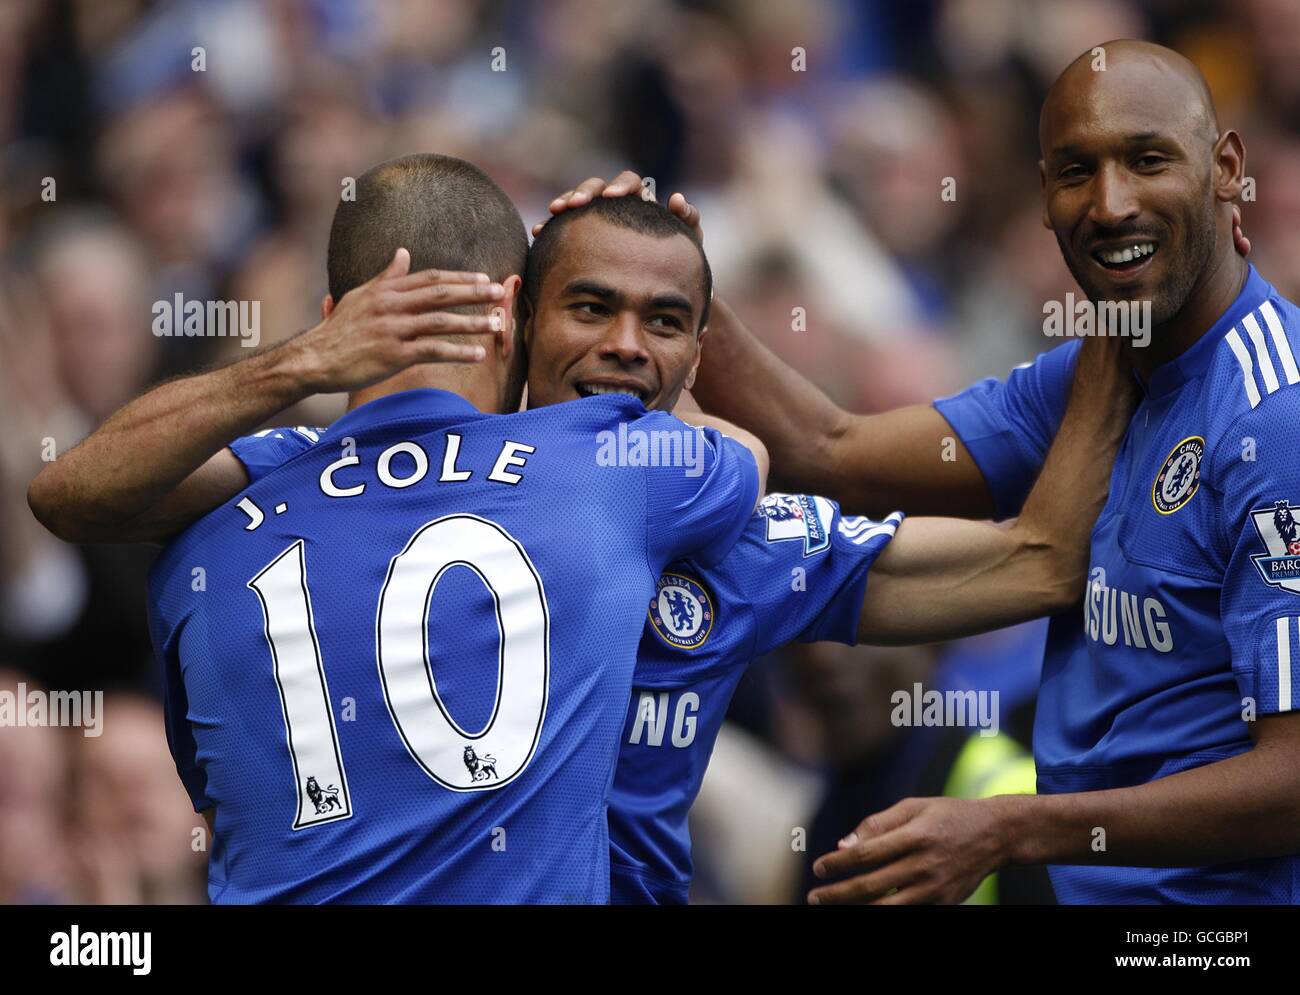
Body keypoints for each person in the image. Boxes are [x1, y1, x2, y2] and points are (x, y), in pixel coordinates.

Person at [31, 160, 1135, 904]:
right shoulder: (633, 476)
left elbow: (1035, 563)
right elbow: (772, 449)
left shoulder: (233, 500)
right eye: (590, 308)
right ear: (514, 313)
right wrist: (1123, 319)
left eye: (663, 322)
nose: (623, 350)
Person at [666, 40, 1300, 905]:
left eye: (1148, 160)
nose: (1111, 204)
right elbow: (834, 453)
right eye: (1077, 171)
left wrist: (1010, 824)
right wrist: (673, 284)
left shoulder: (1276, 415)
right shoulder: (1095, 378)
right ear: (1044, 196)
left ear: (1226, 168)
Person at [39, 153, 767, 903]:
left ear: (332, 318)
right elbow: (747, 453)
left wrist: (295, 364)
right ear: (513, 312)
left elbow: (67, 493)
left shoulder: (226, 501)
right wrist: (673, 277)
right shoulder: (612, 472)